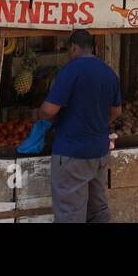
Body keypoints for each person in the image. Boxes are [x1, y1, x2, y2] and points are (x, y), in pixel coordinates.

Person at [36, 29, 122, 223]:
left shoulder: (71, 69)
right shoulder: (109, 73)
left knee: (70, 214)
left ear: (73, 47)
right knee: (97, 209)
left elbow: (49, 110)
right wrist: (97, 123)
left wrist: (39, 116)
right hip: (99, 152)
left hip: (72, 153)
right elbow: (116, 111)